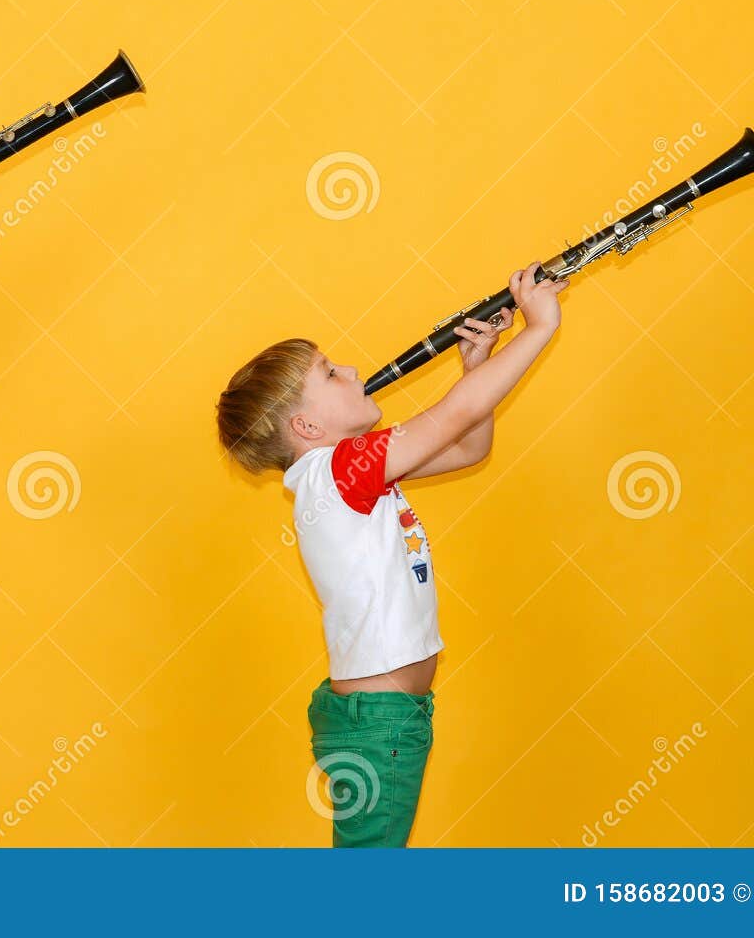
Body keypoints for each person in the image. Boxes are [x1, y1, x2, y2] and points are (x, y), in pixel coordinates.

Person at [215, 262, 568, 845]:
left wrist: (476, 365)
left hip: (387, 718)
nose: (353, 370)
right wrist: (539, 329)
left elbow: (466, 448)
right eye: (331, 374)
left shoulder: (342, 476)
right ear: (307, 425)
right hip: (381, 723)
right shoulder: (340, 469)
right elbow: (454, 414)